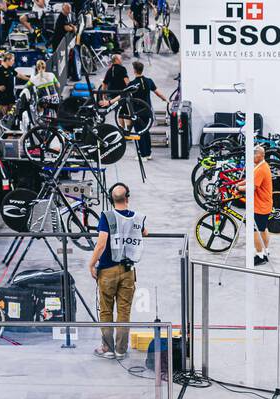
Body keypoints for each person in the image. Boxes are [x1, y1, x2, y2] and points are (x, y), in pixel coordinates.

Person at [88, 183, 146, 359]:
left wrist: (92, 264)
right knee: (124, 311)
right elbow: (145, 232)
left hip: (108, 269)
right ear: (127, 198)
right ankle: (121, 350)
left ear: (111, 199)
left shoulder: (107, 217)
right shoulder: (137, 217)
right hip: (128, 270)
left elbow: (101, 243)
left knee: (106, 310)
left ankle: (107, 348)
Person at [128, 61, 169, 159]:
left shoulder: (133, 84)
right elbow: (158, 92)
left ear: (134, 70)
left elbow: (122, 95)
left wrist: (109, 102)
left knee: (139, 133)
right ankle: (148, 153)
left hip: (137, 112)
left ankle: (143, 155)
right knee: (146, 132)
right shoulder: (149, 81)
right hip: (147, 111)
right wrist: (166, 99)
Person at [249, 145, 273, 266]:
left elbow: (252, 187)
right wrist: (240, 183)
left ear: (262, 155)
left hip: (260, 206)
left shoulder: (261, 169)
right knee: (263, 229)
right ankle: (266, 251)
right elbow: (250, 179)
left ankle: (260, 256)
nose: (253, 156)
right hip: (265, 204)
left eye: (255, 154)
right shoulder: (262, 166)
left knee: (256, 231)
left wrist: (238, 187)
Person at [0, 50, 18, 115]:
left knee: (12, 114)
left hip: (10, 94)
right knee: (3, 115)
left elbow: (18, 75)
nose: (14, 62)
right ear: (7, 60)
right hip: (2, 95)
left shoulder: (10, 68)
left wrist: (30, 79)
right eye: (12, 60)